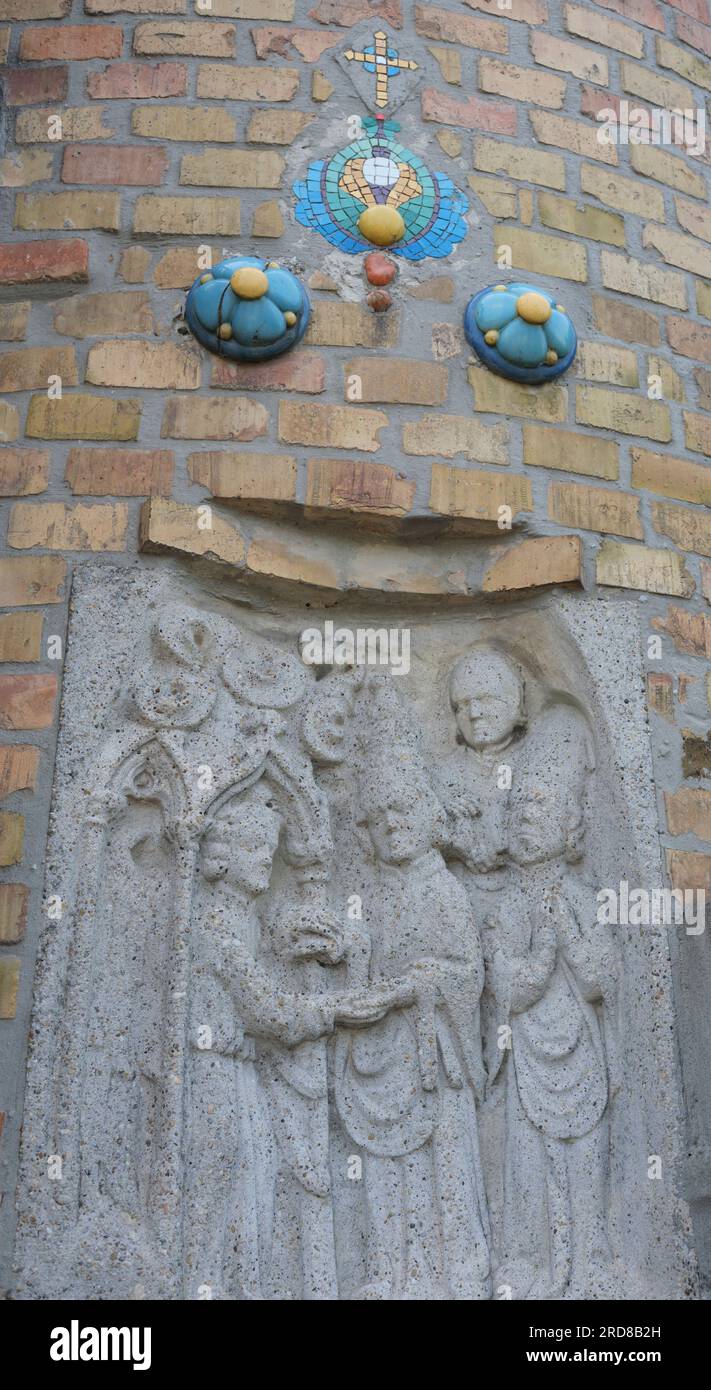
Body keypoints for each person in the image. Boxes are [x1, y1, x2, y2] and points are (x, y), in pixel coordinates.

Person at [185, 779, 400, 1300]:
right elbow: (270, 1013)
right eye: (255, 848)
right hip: (214, 1073)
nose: (267, 860)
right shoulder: (215, 922)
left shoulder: (244, 920)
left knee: (255, 1190)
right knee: (227, 1196)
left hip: (238, 1070)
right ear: (219, 856)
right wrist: (337, 1008)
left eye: (272, 847)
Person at [334, 750, 491, 1300]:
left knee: (444, 1159)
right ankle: (391, 1270)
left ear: (430, 817)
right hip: (380, 1052)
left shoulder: (444, 889)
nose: (392, 824)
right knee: (382, 1163)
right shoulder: (369, 896)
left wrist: (423, 981)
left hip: (433, 1052)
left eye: (402, 811)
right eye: (379, 819)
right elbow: (362, 967)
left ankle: (459, 1272)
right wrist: (350, 953)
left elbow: (468, 975)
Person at [485, 707, 619, 1299]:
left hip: (582, 1057)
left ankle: (590, 1263)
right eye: (519, 810)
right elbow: (508, 990)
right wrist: (540, 955)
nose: (527, 820)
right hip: (529, 1060)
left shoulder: (587, 898)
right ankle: (540, 1267)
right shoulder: (505, 910)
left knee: (588, 1162)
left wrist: (565, 930)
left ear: (570, 824)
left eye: (541, 808)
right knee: (531, 1167)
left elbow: (600, 981)